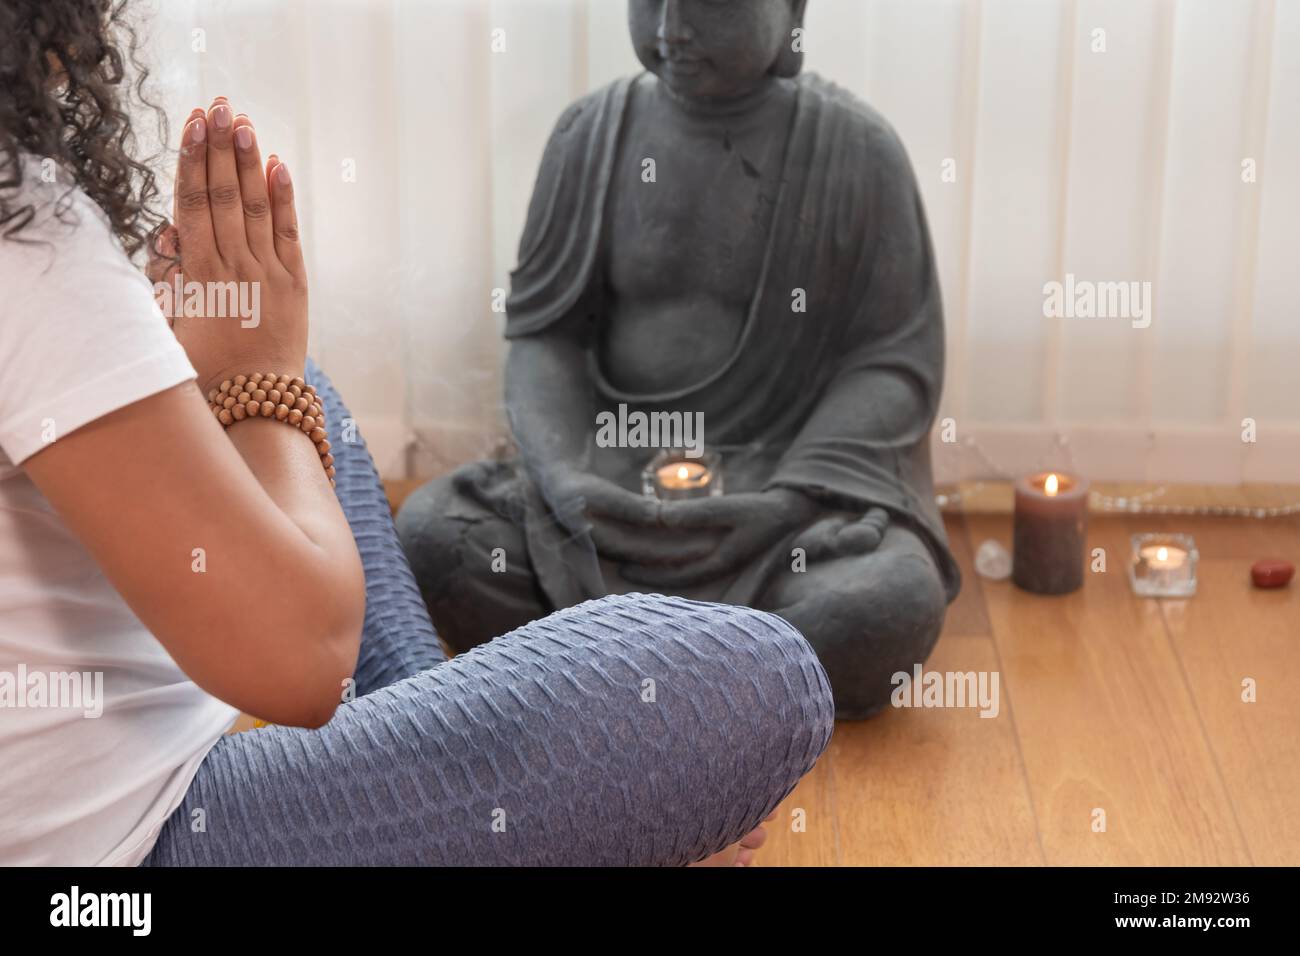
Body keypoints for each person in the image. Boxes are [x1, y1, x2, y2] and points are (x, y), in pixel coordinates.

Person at [0, 0, 832, 866]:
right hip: (138, 850)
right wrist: (260, 378)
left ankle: (438, 740)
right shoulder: (26, 232)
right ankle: (489, 803)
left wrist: (213, 369)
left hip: (120, 763)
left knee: (293, 392)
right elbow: (303, 666)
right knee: (752, 681)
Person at [398, 0, 960, 719]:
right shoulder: (590, 137)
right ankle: (726, 690)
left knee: (884, 604)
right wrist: (567, 478)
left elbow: (892, 363)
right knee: (435, 534)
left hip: (778, 504)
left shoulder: (858, 150)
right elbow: (547, 337)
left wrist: (789, 498)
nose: (670, 30)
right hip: (609, 488)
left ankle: (596, 674)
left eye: (709, 8)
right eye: (649, 3)